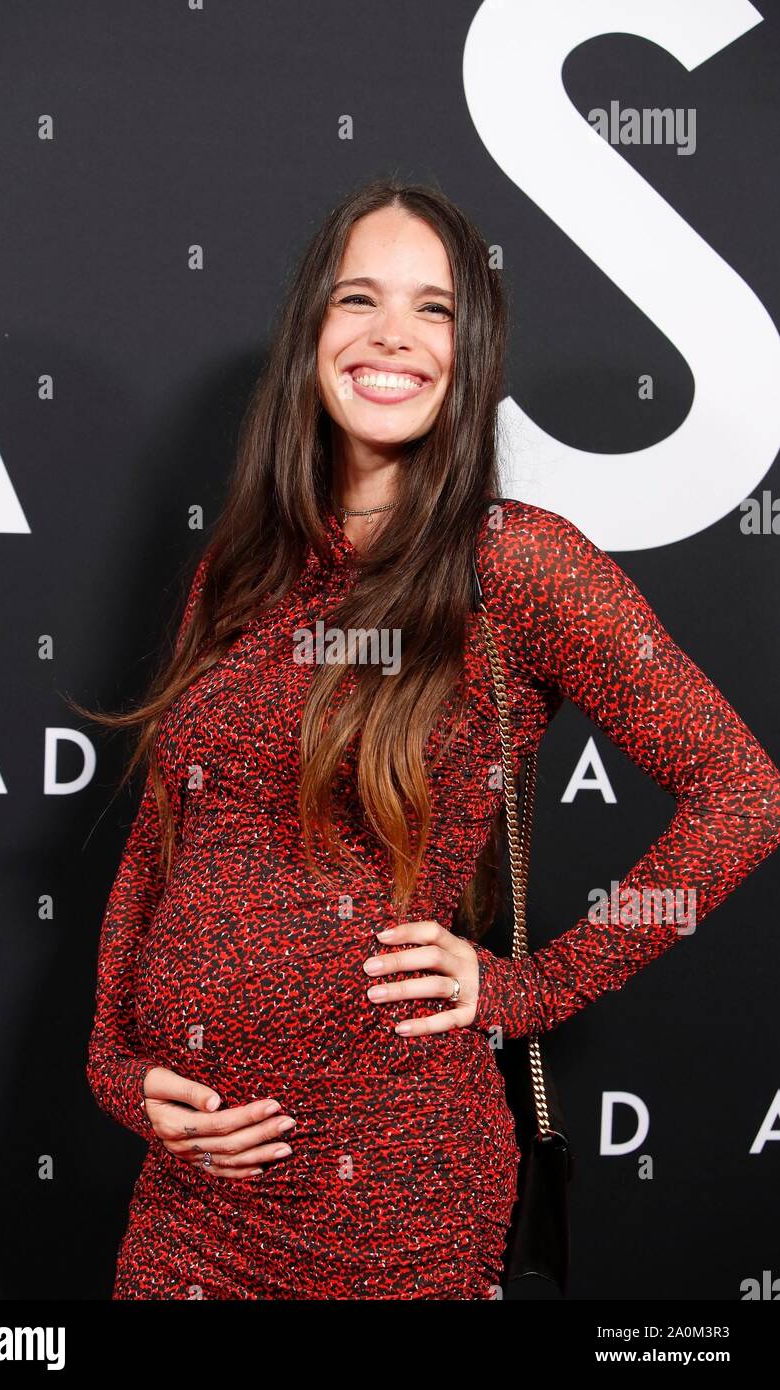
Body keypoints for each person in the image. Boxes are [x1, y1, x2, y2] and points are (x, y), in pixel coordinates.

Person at [81, 179, 780, 1300]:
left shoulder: (514, 566)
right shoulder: (239, 570)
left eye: (434, 309)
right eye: (356, 299)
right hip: (189, 1200)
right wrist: (115, 1066)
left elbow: (742, 792)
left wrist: (533, 986)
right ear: (311, 331)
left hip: (394, 1203)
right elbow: (165, 842)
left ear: (474, 350)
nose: (390, 335)